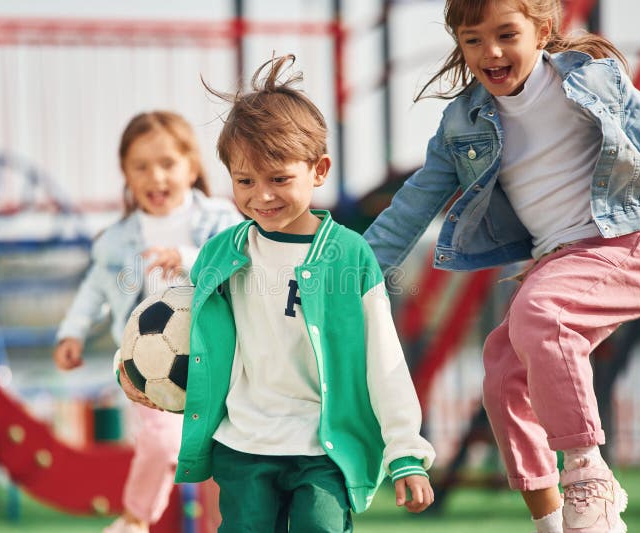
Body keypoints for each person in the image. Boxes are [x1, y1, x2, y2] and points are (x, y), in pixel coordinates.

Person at [363, 1, 640, 532]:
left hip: (629, 245)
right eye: (473, 40)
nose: (491, 52)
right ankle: (553, 522)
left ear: (542, 31)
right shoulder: (464, 124)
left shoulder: (595, 82)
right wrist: (346, 273)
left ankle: (588, 476)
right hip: (559, 263)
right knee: (503, 374)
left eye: (506, 34)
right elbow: (411, 206)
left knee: (541, 314)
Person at [125, 54, 436, 532]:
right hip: (244, 445)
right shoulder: (221, 254)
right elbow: (181, 324)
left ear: (319, 170)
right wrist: (129, 367)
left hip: (324, 449)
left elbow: (384, 358)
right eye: (244, 181)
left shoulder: (349, 256)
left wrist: (406, 451)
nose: (261, 195)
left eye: (279, 179)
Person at [54, 111, 242, 533]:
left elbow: (241, 263)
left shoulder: (220, 220)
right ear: (125, 174)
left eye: (167, 164)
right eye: (140, 167)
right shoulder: (118, 241)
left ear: (191, 167)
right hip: (150, 370)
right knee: (160, 441)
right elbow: (94, 289)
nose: (155, 177)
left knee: (224, 460)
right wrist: (72, 332)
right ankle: (136, 518)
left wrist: (190, 260)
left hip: (219, 366)